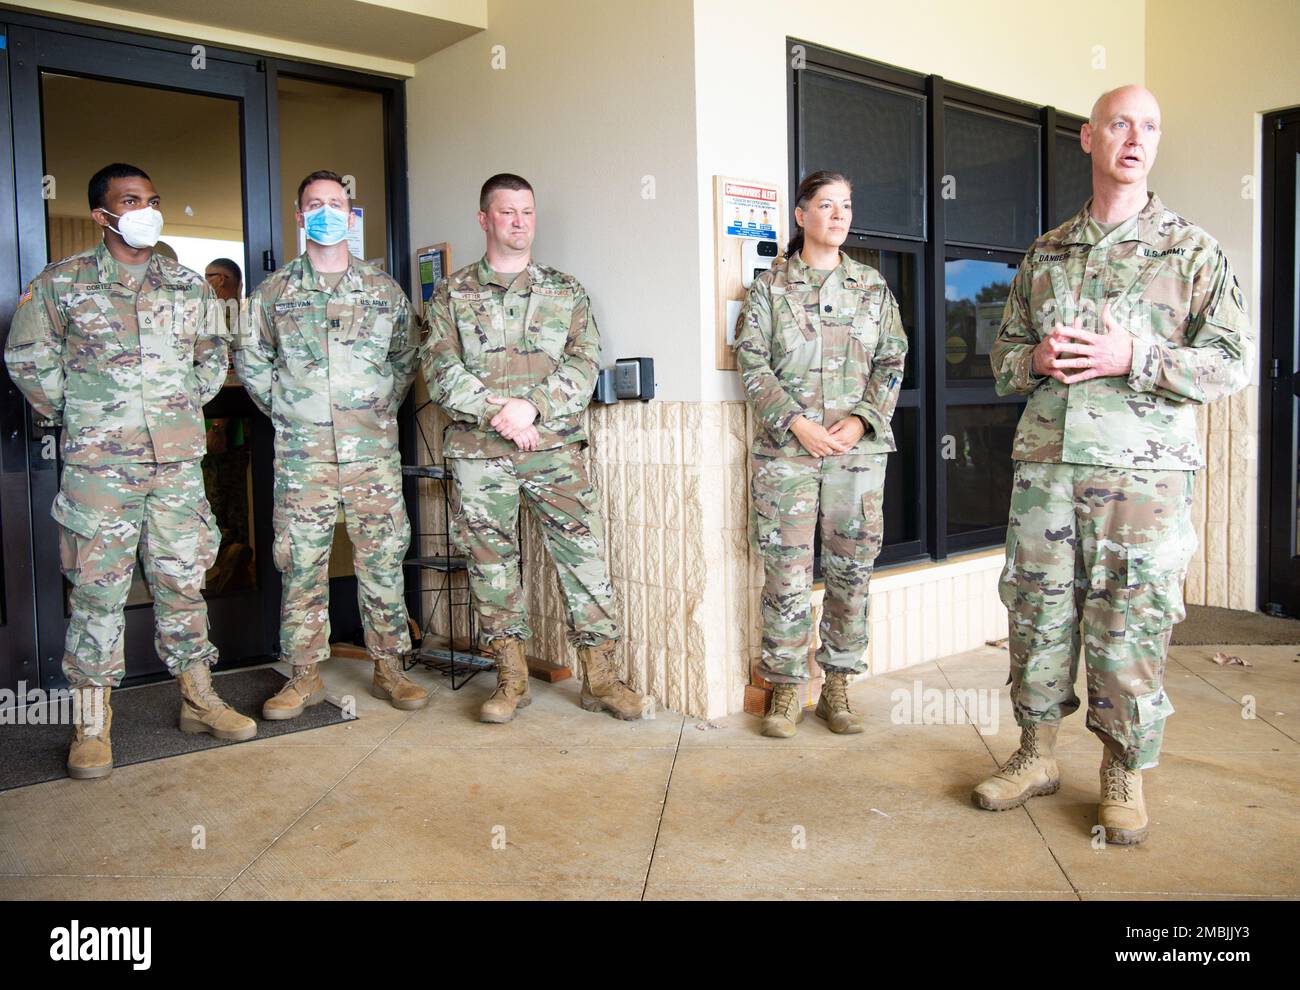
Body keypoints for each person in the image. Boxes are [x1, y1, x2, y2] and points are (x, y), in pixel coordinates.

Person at [977, 86, 1254, 844]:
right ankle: (1035, 754)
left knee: (1130, 620)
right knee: (1035, 611)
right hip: (1047, 472)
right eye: (1122, 123)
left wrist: (1137, 355)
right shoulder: (1046, 252)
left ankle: (1123, 770)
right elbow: (1001, 360)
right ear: (1089, 138)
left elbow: (1232, 365)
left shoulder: (1192, 251)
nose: (1138, 137)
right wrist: (1031, 357)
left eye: (1152, 126)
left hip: (1145, 479)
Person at [3, 162, 256, 778]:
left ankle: (199, 698)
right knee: (97, 593)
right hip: (100, 470)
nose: (146, 208)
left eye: (152, 198)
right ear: (102, 215)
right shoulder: (63, 284)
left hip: (174, 466)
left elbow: (210, 355)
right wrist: (83, 413)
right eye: (131, 200)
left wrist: (178, 405)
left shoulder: (187, 285)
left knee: (182, 584)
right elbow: (27, 357)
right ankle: (92, 723)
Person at [421, 173, 645, 724]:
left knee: (583, 560)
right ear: (484, 219)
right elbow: (439, 366)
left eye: (527, 211)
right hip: (479, 452)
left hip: (552, 448)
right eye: (506, 212)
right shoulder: (452, 292)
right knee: (490, 566)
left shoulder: (565, 291)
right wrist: (498, 411)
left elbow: (583, 360)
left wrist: (533, 408)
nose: (519, 222)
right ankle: (511, 680)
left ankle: (602, 678)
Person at [236, 169, 427, 717]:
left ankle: (390, 667)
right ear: (300, 218)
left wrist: (372, 409)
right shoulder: (272, 293)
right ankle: (302, 676)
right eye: (315, 204)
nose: (326, 211)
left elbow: (404, 357)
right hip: (304, 458)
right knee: (301, 562)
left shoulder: (382, 290)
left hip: (371, 455)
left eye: (336, 203)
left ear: (351, 214)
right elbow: (252, 363)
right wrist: (296, 411)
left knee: (383, 558)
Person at [734, 170, 908, 738]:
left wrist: (861, 421)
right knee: (786, 571)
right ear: (801, 215)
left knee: (850, 571)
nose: (839, 216)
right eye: (826, 205)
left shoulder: (872, 287)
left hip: (856, 458)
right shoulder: (769, 289)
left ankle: (837, 686)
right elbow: (751, 363)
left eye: (847, 206)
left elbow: (892, 361)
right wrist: (796, 423)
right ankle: (786, 689)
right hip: (787, 456)